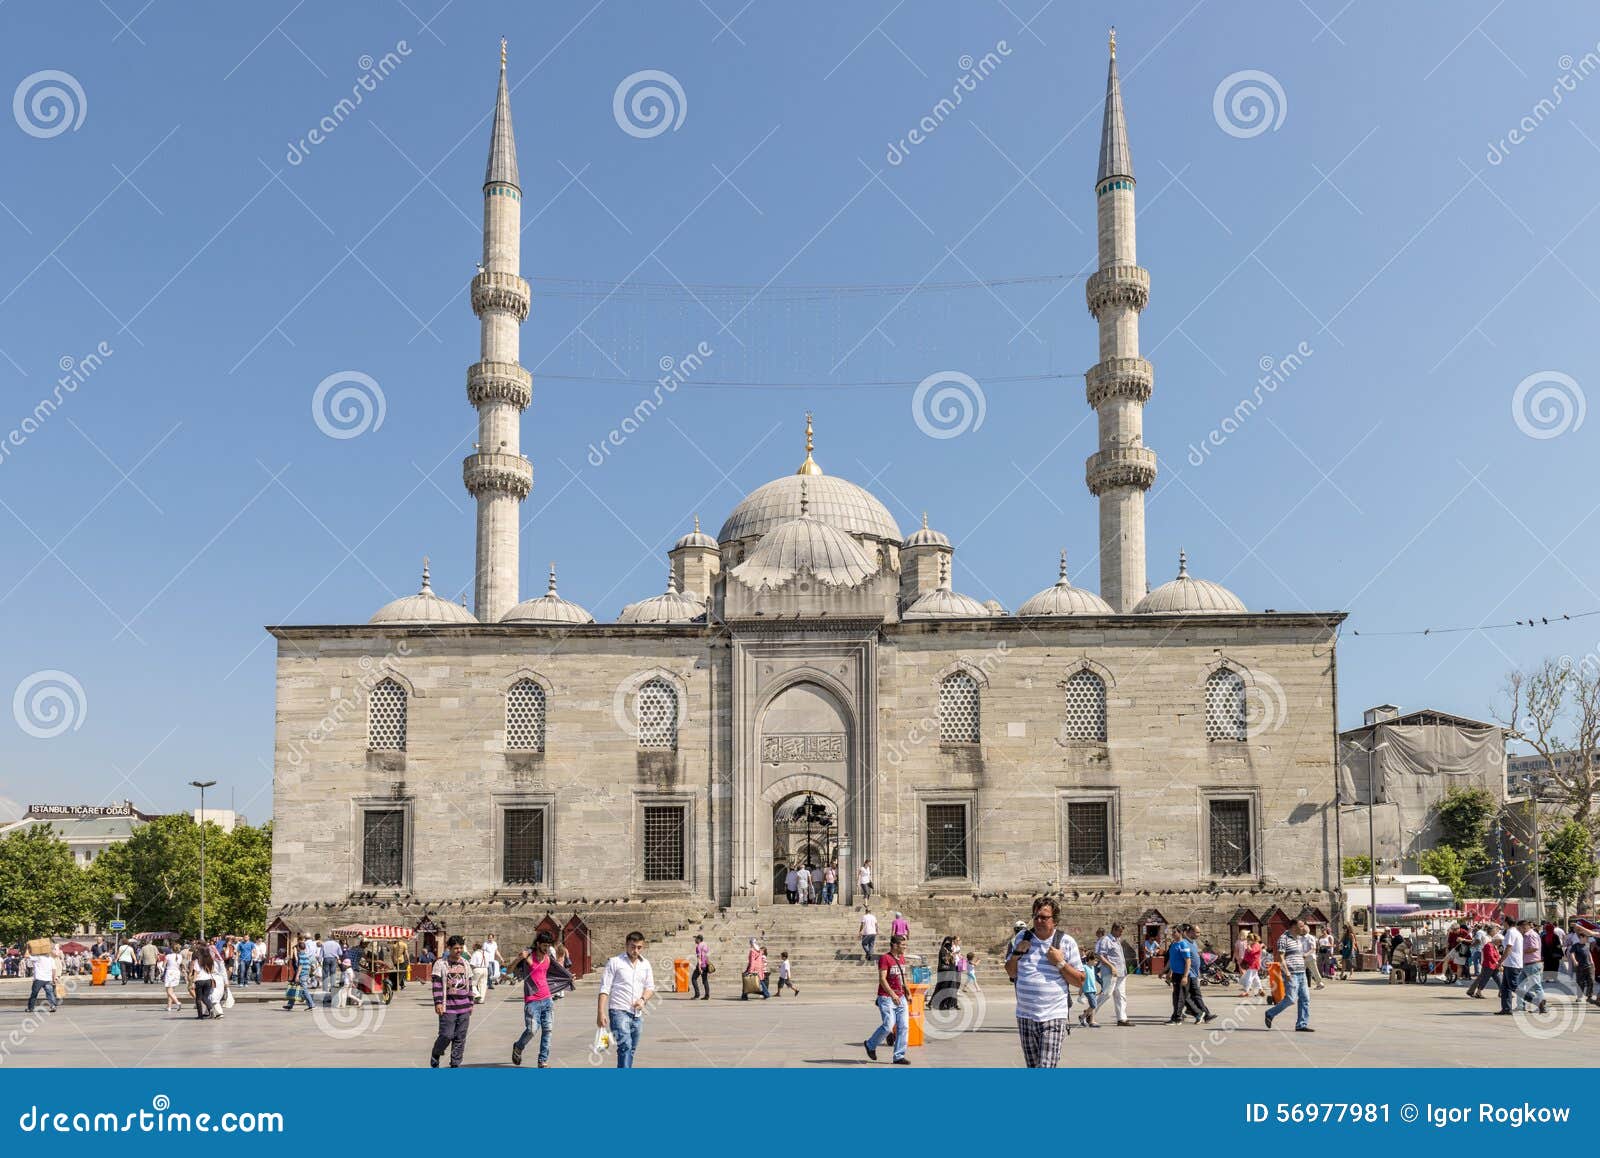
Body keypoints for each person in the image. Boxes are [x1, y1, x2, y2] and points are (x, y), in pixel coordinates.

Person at [1005, 897, 1085, 1068]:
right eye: (1035, 916)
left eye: (1044, 917)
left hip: (1053, 1016)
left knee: (1046, 1067)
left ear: (1055, 920)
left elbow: (1080, 981)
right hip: (1025, 1015)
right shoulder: (1022, 937)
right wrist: (1017, 954)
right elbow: (1011, 972)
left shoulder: (1066, 942)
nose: (1038, 921)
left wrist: (1060, 963)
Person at [596, 932, 655, 1069]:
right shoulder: (615, 962)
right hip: (618, 1011)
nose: (636, 951)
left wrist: (643, 999)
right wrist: (600, 1012)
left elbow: (650, 987)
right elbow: (605, 988)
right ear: (626, 945)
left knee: (631, 1048)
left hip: (637, 1013)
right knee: (625, 1045)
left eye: (639, 947)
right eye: (633, 947)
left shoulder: (645, 964)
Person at [864, 933, 912, 1065]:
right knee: (888, 1026)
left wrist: (908, 991)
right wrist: (892, 994)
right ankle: (870, 1044)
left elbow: (903, 977)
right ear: (895, 945)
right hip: (886, 997)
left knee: (904, 1026)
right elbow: (882, 979)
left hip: (901, 997)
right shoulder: (885, 958)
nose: (905, 947)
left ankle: (899, 1056)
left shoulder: (901, 958)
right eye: (903, 945)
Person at [511, 931, 557, 1067]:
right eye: (544, 945)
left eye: (548, 946)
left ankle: (543, 1060)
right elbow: (508, 970)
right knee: (531, 1030)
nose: (546, 948)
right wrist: (518, 959)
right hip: (532, 1001)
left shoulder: (548, 958)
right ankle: (518, 1046)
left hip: (547, 999)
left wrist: (568, 977)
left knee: (548, 1030)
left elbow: (556, 972)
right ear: (538, 944)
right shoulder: (528, 958)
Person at [430, 936, 475, 1068]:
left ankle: (455, 1064)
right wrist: (438, 1002)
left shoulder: (465, 963)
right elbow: (437, 984)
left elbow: (470, 985)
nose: (458, 950)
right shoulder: (440, 964)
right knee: (446, 1035)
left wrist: (471, 1003)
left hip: (464, 1007)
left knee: (460, 1037)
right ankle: (436, 1052)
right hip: (448, 1007)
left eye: (460, 948)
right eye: (455, 948)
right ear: (449, 948)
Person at [1264, 919, 1314, 1032]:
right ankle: (1270, 1013)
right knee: (1290, 999)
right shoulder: (1283, 938)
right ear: (1293, 927)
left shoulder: (1298, 938)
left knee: (1305, 998)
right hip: (1291, 973)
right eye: (1301, 926)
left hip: (1302, 972)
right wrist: (1286, 971)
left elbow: (1306, 933)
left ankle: (1301, 1024)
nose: (1303, 928)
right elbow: (1280, 957)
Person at [1167, 925, 1211, 1023]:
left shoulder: (1190, 943)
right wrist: (1170, 972)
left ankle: (1195, 1013)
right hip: (1186, 974)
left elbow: (1189, 960)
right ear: (1188, 932)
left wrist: (1193, 972)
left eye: (1174, 932)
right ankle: (1198, 1013)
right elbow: (1176, 960)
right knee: (1185, 996)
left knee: (1186, 996)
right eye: (1197, 932)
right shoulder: (1182, 943)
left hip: (1190, 974)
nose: (1199, 934)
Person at [1095, 923, 1130, 1026]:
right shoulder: (1106, 940)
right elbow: (1100, 955)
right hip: (1110, 972)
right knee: (1107, 994)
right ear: (1114, 929)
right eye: (1120, 931)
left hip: (1121, 972)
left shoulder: (1117, 940)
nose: (1121, 933)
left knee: (1121, 996)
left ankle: (1122, 1019)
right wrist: (1111, 966)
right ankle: (1089, 1013)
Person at [1519, 919, 1548, 1014]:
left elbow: (1534, 947)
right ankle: (1521, 1005)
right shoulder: (1527, 935)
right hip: (1527, 964)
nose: (1520, 930)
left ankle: (1543, 1007)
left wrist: (1521, 951)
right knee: (1519, 985)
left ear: (1524, 927)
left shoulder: (1531, 935)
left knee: (1537, 987)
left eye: (1520, 928)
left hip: (1532, 964)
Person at [1466, 926, 1501, 998]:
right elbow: (1487, 950)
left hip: (1491, 962)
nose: (1496, 932)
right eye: (1495, 931)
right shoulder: (1486, 938)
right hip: (1487, 961)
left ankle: (1472, 991)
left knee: (1487, 977)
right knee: (1483, 977)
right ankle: (1473, 991)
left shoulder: (1492, 938)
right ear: (1491, 931)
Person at [1496, 923, 1524, 1015]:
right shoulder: (1516, 932)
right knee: (1505, 987)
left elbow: (1508, 948)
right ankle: (1506, 1008)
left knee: (1514, 986)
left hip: (1512, 963)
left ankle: (1536, 1000)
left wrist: (1500, 960)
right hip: (1510, 963)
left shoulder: (1511, 932)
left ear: (1506, 923)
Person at [189, 943, 221, 1020]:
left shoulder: (198, 960)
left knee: (198, 999)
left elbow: (196, 972)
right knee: (205, 997)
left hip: (199, 980)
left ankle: (200, 1015)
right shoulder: (210, 960)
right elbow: (212, 970)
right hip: (208, 980)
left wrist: (193, 982)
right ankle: (211, 1009)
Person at [26, 945, 60, 1014]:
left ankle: (30, 1008)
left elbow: (26, 956)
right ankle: (53, 1006)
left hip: (39, 979)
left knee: (34, 993)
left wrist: (28, 948)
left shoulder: (38, 957)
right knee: (50, 993)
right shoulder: (51, 959)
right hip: (48, 979)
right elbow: (54, 970)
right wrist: (53, 978)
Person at [933, 936, 961, 1011]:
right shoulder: (943, 950)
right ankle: (941, 1004)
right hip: (944, 972)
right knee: (944, 988)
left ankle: (952, 1004)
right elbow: (945, 961)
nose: (951, 945)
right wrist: (951, 955)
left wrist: (953, 955)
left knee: (953, 988)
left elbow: (953, 961)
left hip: (951, 971)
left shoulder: (950, 950)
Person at [1568, 927, 1596, 1004]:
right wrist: (1574, 961)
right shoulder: (1575, 945)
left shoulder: (1586, 945)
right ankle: (1579, 997)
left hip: (1589, 966)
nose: (1587, 939)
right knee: (1580, 982)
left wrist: (1592, 961)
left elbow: (1589, 953)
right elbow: (1572, 953)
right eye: (1586, 937)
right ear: (1581, 937)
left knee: (1591, 981)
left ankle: (1589, 996)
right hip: (1580, 966)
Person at [1238, 932, 1265, 999]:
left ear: (1252, 940)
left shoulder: (1256, 945)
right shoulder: (1253, 944)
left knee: (1249, 978)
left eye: (1248, 940)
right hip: (1251, 964)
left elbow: (1252, 952)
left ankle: (1246, 991)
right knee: (1255, 978)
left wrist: (1248, 946)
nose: (1247, 941)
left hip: (1253, 964)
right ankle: (1260, 990)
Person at [162, 945, 185, 1012]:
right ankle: (169, 1006)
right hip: (177, 973)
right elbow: (181, 964)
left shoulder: (168, 956)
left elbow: (164, 965)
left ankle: (177, 1002)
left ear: (172, 950)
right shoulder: (180, 956)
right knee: (171, 991)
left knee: (168, 991)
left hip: (170, 972)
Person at [690, 934, 711, 1000]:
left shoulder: (698, 946)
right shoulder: (705, 945)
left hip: (701, 965)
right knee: (705, 980)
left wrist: (699, 967)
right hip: (705, 964)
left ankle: (697, 994)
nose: (695, 940)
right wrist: (707, 963)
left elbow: (699, 957)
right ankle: (707, 995)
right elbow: (707, 955)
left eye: (696, 939)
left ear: (699, 939)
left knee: (693, 978)